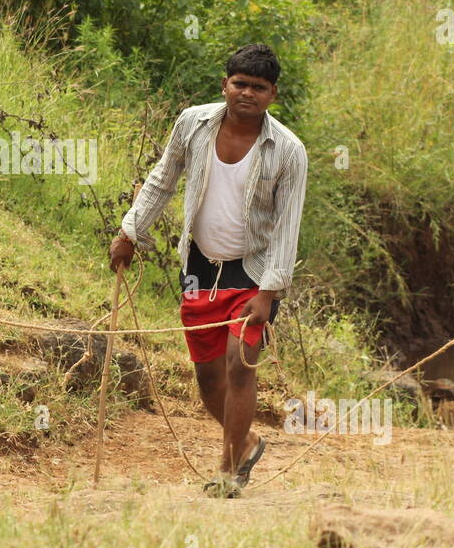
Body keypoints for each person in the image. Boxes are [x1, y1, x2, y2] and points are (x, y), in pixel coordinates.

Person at [109, 44, 308, 498]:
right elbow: (162, 179)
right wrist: (130, 233)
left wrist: (270, 291)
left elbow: (287, 225)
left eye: (258, 88)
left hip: (253, 272)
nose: (247, 94)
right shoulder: (193, 124)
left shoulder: (289, 151)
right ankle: (248, 441)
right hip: (199, 267)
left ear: (272, 94)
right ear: (225, 85)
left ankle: (228, 466)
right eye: (240, 83)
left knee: (241, 365)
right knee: (208, 378)